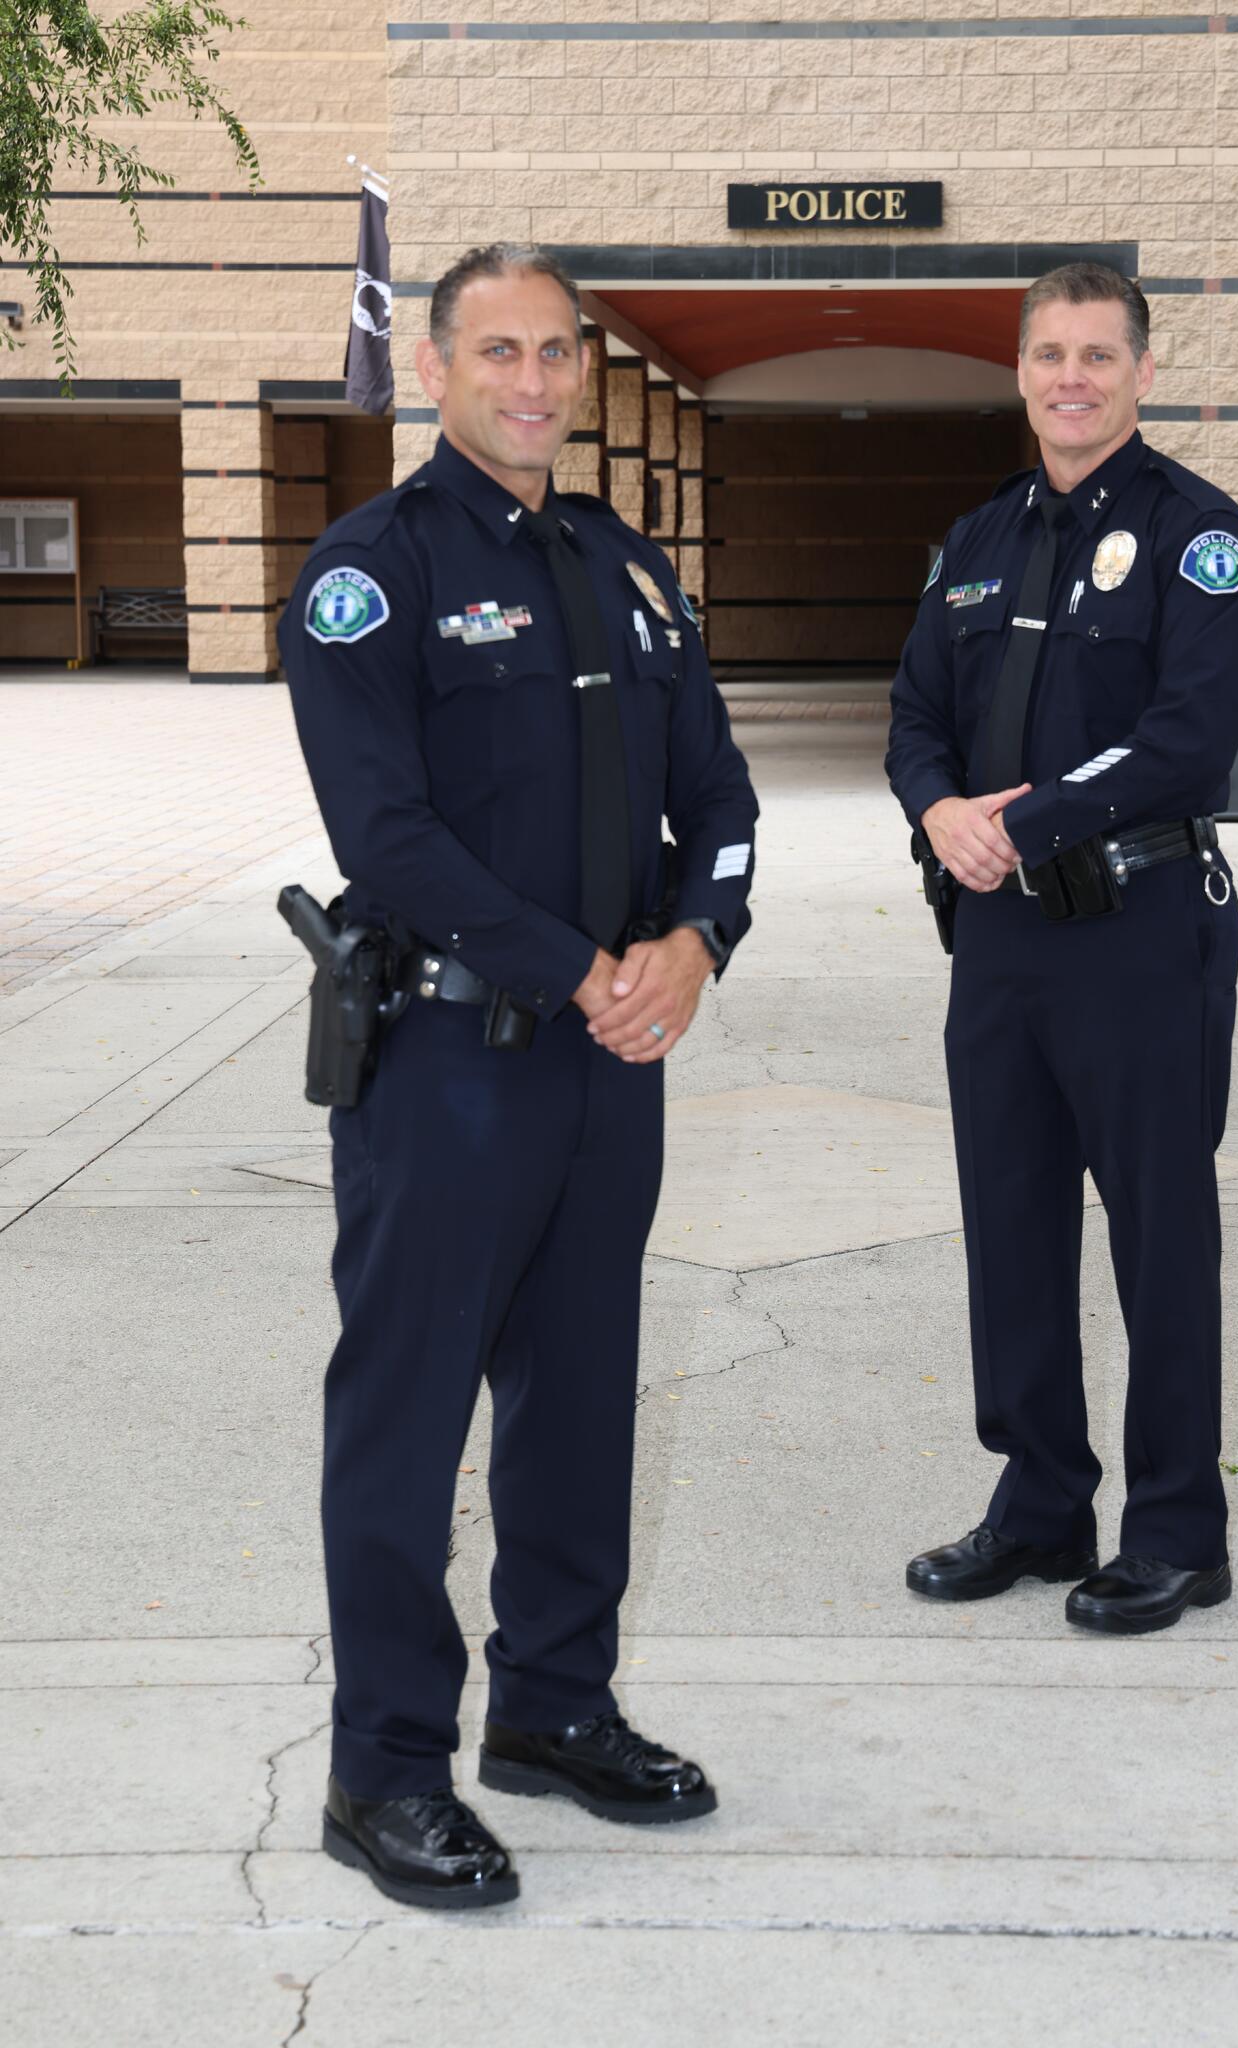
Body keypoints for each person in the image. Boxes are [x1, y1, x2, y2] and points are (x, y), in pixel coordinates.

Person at [278, 244, 758, 1910]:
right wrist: (581, 969)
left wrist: (697, 941)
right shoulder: (372, 574)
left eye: (558, 351)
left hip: (608, 1064)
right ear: (436, 366)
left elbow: (722, 791)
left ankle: (551, 1710)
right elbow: (385, 836)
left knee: (577, 1406)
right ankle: (383, 1768)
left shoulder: (629, 572)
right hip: (448, 1061)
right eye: (501, 351)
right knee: (405, 1422)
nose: (537, 381)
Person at [886, 262, 1238, 1636]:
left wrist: (1029, 817)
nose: (1070, 377)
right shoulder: (978, 539)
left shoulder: (1198, 538)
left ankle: (1176, 1531)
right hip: (997, 939)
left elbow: (1187, 739)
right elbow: (914, 711)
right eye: (1048, 353)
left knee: (1158, 1236)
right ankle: (1040, 1504)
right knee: (1010, 1219)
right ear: (1020, 370)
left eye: (1097, 355)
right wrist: (939, 813)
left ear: (1140, 371)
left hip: (1139, 930)